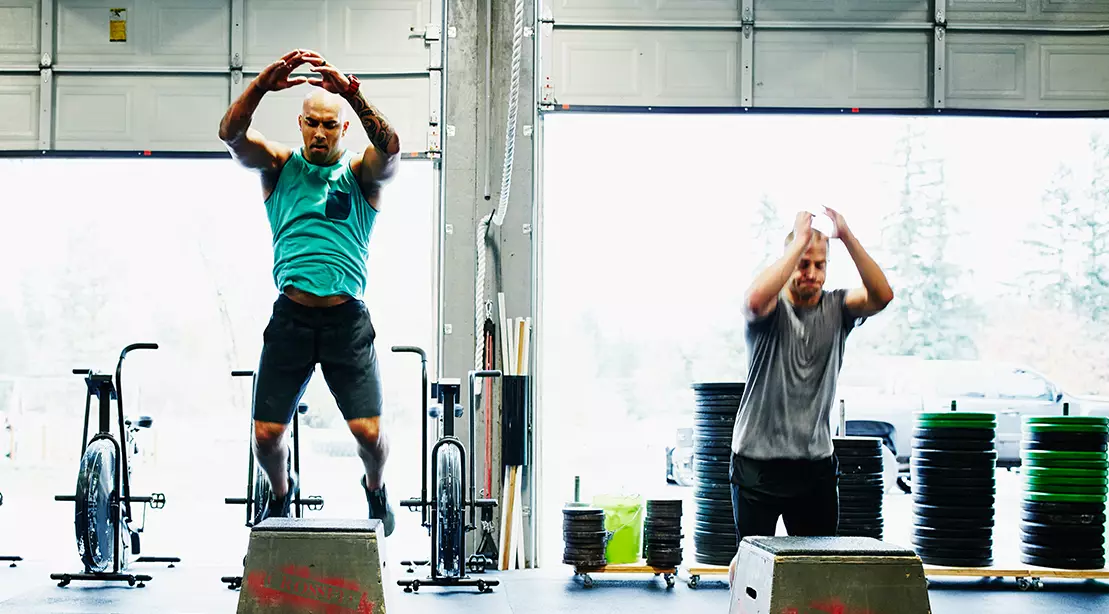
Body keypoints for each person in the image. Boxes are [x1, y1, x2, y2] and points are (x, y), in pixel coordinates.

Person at [217, 49, 401, 535]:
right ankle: (282, 492)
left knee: (369, 433)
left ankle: (375, 488)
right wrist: (260, 84)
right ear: (301, 124)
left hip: (346, 321)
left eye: (329, 125)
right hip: (291, 318)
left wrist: (352, 94)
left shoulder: (360, 175)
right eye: (311, 124)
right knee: (265, 436)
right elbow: (230, 136)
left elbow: (392, 149)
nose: (319, 133)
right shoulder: (279, 167)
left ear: (342, 128)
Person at [728, 207, 894, 583]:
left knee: (817, 573)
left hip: (814, 467)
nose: (812, 274)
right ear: (789, 263)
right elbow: (753, 299)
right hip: (758, 464)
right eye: (804, 263)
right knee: (752, 568)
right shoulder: (770, 310)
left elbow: (883, 296)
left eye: (820, 265)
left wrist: (847, 236)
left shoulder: (839, 308)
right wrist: (798, 242)